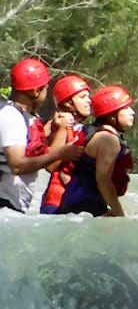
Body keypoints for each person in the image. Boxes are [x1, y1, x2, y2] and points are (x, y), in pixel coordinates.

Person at [1, 58, 83, 213]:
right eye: (45, 88)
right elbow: (17, 165)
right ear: (35, 91)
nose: (47, 91)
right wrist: (60, 153)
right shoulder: (11, 116)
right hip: (4, 203)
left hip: (12, 204)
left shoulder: (27, 116)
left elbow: (33, 146)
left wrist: (56, 129)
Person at [56, 85, 135, 217]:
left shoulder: (94, 131)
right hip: (84, 207)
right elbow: (103, 180)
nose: (132, 112)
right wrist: (119, 213)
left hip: (76, 205)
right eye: (125, 108)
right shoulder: (108, 139)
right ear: (111, 116)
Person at [39, 74, 92, 214]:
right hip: (56, 201)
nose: (89, 101)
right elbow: (50, 166)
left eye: (88, 96)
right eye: (83, 97)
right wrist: (63, 128)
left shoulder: (82, 127)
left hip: (75, 197)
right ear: (68, 103)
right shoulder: (56, 124)